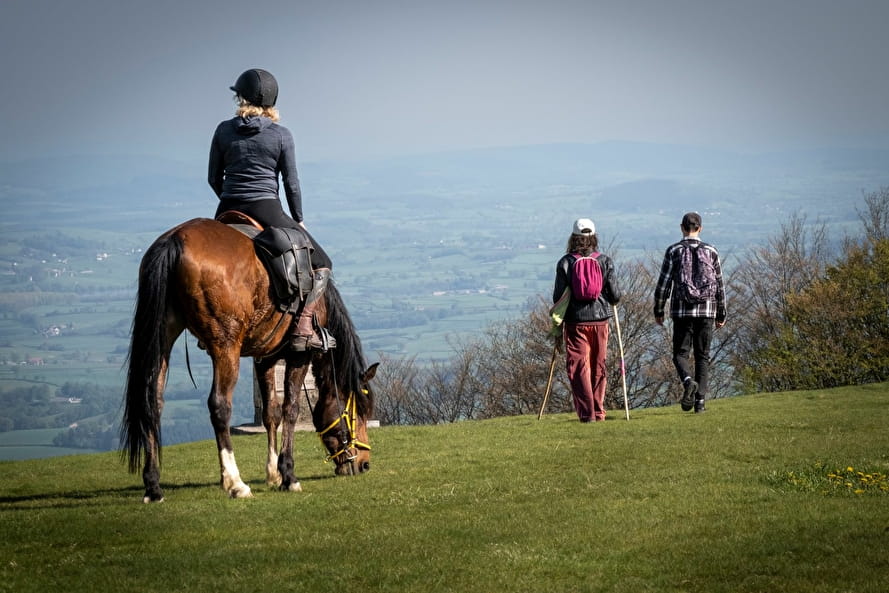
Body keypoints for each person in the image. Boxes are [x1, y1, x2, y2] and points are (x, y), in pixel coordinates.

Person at [208, 68, 333, 351]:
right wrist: (298, 220)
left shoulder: (222, 130)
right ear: (272, 102)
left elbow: (213, 178)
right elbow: (291, 183)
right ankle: (303, 327)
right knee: (323, 262)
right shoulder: (281, 135)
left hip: (226, 207)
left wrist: (230, 197)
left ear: (241, 98)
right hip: (266, 208)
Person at [653, 212, 726, 413]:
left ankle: (687, 382)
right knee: (703, 356)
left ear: (682, 227)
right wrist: (721, 313)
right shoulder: (711, 251)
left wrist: (658, 309)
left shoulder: (674, 250)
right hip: (707, 310)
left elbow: (664, 284)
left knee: (680, 354)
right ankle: (700, 403)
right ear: (700, 228)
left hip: (682, 310)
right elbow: (719, 285)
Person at [552, 218, 621, 422]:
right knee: (599, 365)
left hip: (575, 322)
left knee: (579, 367)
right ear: (593, 237)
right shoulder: (605, 260)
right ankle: (599, 411)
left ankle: (586, 413)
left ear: (573, 237)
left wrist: (557, 324)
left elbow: (558, 297)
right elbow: (615, 296)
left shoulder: (566, 262)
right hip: (600, 320)